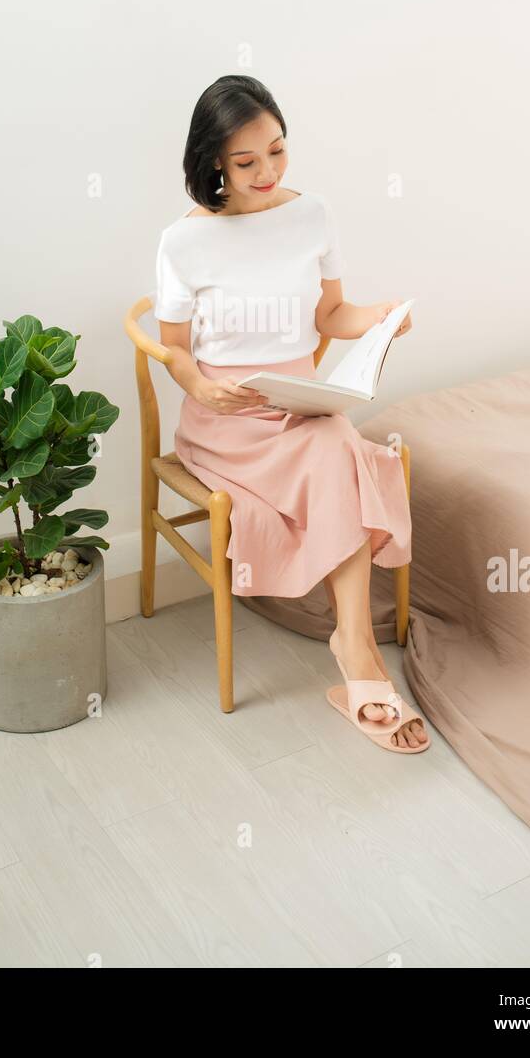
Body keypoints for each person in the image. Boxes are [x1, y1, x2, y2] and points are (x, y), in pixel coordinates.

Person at [154, 74, 430, 751]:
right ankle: (357, 653)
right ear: (212, 161)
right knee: (339, 451)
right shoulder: (182, 242)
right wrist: (201, 389)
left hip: (299, 405)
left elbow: (331, 315)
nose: (267, 172)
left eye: (277, 151)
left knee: (333, 441)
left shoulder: (312, 215)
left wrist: (380, 319)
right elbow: (174, 351)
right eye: (246, 161)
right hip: (227, 418)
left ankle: (352, 645)